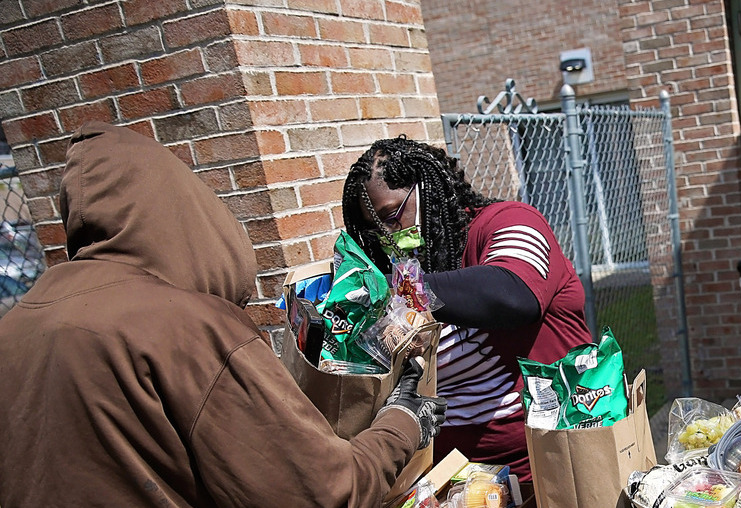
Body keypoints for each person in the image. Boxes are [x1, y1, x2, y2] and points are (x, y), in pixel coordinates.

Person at [0, 122, 446, 506]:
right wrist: (403, 420)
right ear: (186, 214)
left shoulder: (15, 328)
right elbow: (324, 493)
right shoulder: (187, 327)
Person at [341, 136, 590, 481]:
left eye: (393, 215)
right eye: (376, 230)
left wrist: (398, 289)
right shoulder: (408, 268)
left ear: (427, 188)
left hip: (556, 468)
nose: (388, 235)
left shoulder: (508, 221)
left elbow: (514, 295)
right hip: (460, 482)